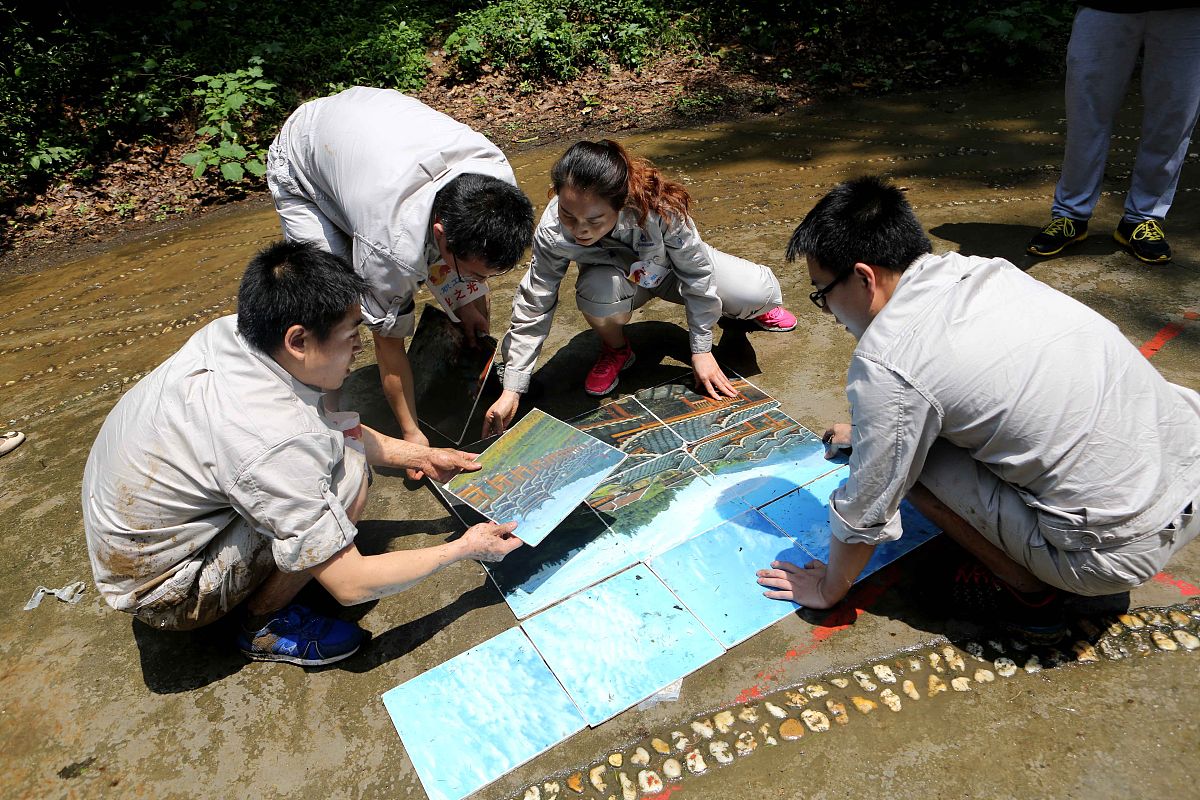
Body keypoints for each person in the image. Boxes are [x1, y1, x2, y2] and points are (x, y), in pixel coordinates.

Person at [759, 176, 1200, 638]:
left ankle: (1030, 592)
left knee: (906, 463)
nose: (827, 312)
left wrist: (830, 590)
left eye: (822, 294)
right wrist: (866, 433)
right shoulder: (985, 272)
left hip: (1111, 553)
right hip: (1185, 471)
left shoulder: (889, 362)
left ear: (865, 277)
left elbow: (867, 510)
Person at [82, 242, 522, 666]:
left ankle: (286, 570)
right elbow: (351, 586)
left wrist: (422, 456)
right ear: (298, 341)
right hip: (167, 590)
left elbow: (329, 428)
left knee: (338, 451)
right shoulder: (272, 438)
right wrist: (465, 548)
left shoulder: (237, 334)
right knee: (347, 474)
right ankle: (261, 625)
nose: (359, 349)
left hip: (150, 540)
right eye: (352, 336)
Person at [267, 87, 535, 467]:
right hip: (306, 158)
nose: (477, 281)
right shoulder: (390, 250)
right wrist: (413, 437)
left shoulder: (496, 181)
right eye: (473, 273)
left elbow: (451, 256)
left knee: (453, 274)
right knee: (332, 300)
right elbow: (387, 344)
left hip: (371, 146)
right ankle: (325, 419)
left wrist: (467, 299)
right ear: (440, 235)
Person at [483, 139, 798, 434]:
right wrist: (513, 388)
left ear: (620, 204)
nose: (579, 229)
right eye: (568, 214)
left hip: (674, 271)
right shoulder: (553, 232)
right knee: (597, 290)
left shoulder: (658, 204)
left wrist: (700, 349)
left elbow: (697, 273)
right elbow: (535, 302)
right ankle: (617, 350)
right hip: (625, 283)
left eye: (594, 220)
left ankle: (746, 312)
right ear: (555, 194)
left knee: (755, 294)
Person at [1026, 3, 1200, 264]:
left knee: (1174, 117)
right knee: (1085, 114)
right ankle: (1070, 215)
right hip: (1103, 6)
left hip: (1188, 11)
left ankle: (1143, 218)